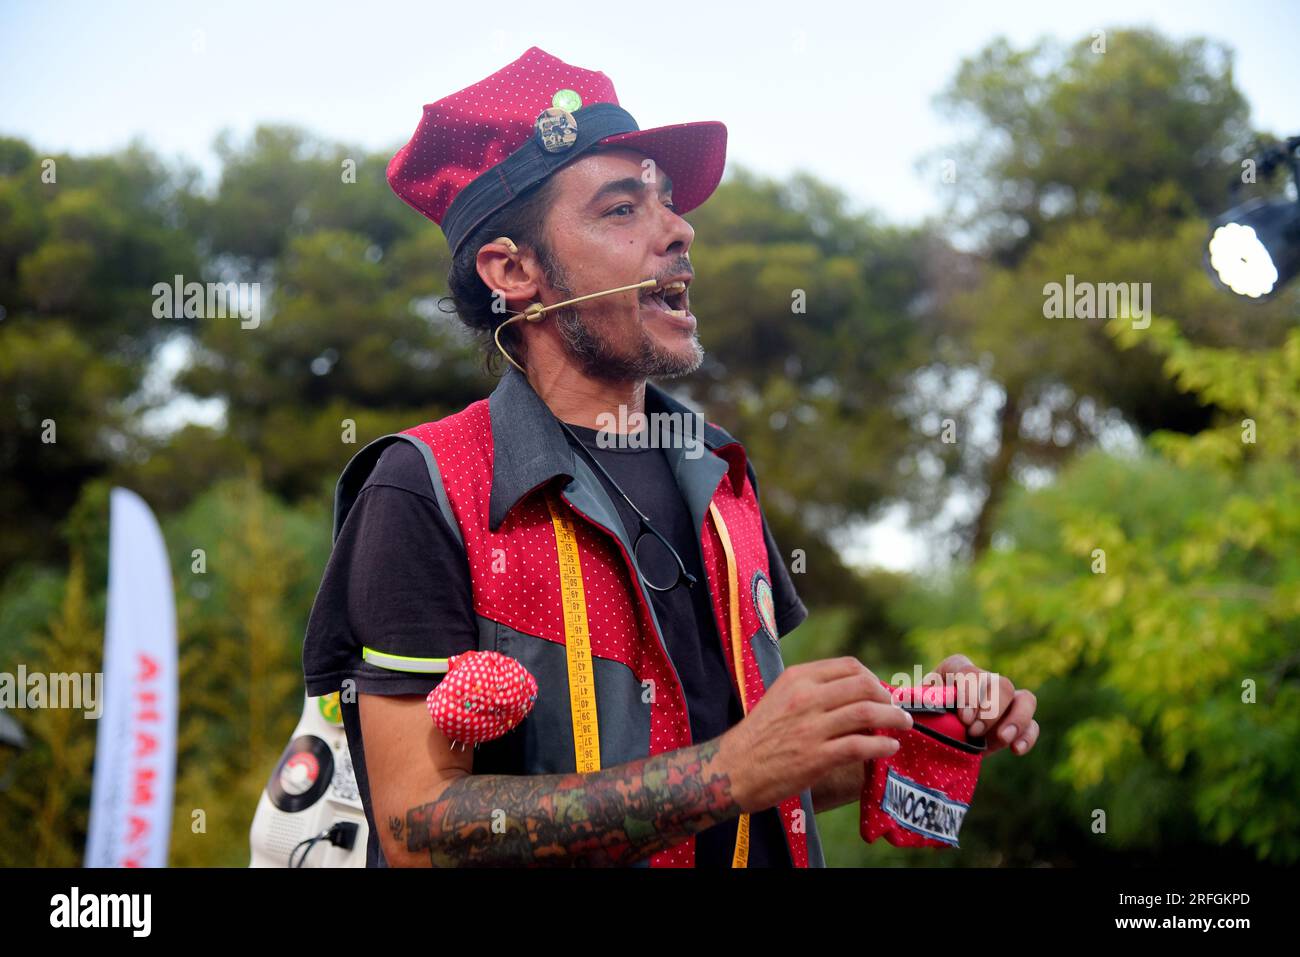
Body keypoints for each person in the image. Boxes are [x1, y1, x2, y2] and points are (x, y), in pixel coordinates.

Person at [301, 46, 1040, 868]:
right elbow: (415, 827)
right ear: (514, 270)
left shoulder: (720, 472)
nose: (678, 228)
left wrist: (904, 724)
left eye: (668, 201)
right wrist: (729, 770)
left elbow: (762, 778)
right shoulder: (423, 486)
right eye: (622, 209)